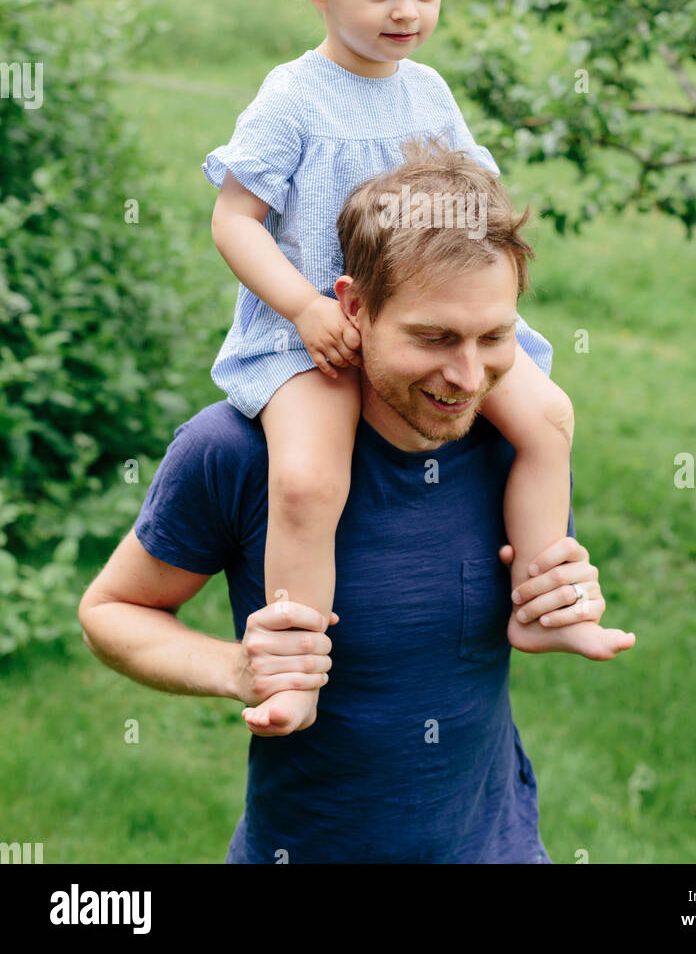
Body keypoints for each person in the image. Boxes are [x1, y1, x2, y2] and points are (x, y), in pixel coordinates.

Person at [79, 142, 635, 864]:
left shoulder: (513, 443)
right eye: (433, 338)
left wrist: (561, 596)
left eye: (494, 337)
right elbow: (113, 612)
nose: (468, 376)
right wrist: (236, 669)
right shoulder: (238, 454)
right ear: (353, 306)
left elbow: (530, 594)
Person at [202, 0, 600, 735]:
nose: (406, 11)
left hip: (427, 323)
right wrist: (306, 308)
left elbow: (474, 203)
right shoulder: (294, 98)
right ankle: (297, 670)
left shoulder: (428, 92)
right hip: (314, 331)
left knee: (550, 416)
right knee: (306, 481)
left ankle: (541, 598)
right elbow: (235, 221)